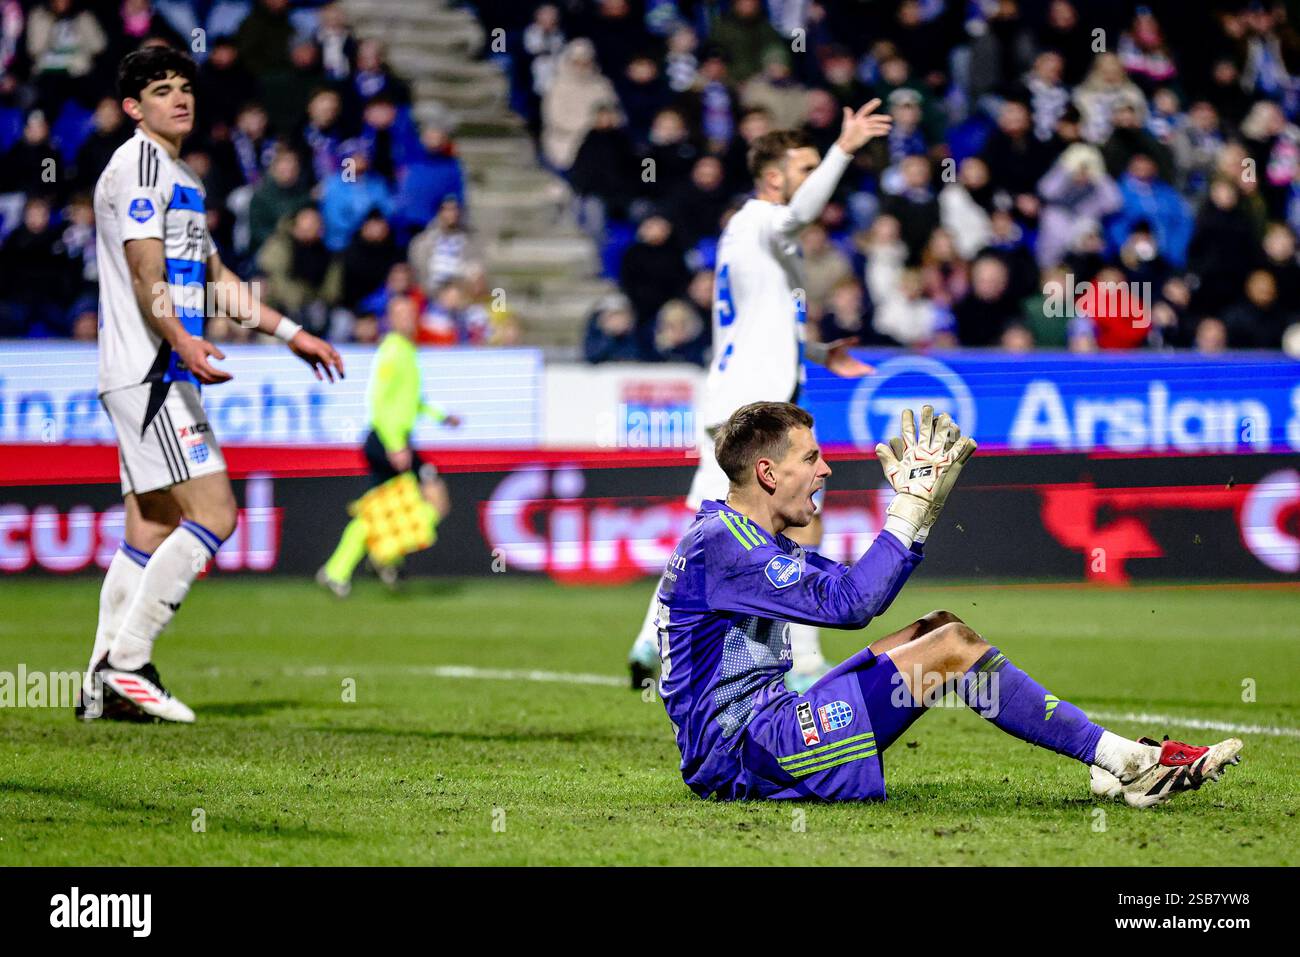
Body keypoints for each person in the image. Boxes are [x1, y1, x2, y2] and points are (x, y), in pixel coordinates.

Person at [655, 401, 1243, 807]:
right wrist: (905, 507)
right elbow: (852, 604)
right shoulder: (725, 545)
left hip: (757, 731)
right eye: (810, 458)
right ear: (766, 470)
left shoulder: (737, 537)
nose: (825, 468)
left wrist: (924, 512)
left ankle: (1112, 756)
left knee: (940, 628)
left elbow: (856, 587)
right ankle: (1125, 762)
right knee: (951, 652)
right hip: (742, 754)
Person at [79, 47, 344, 723]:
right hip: (155, 370)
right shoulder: (139, 165)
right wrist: (182, 339)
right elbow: (146, 272)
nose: (180, 98)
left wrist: (293, 335)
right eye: (162, 90)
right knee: (217, 512)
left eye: (185, 87)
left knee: (153, 524)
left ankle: (97, 681)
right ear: (135, 108)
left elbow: (217, 280)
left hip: (153, 367)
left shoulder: (181, 174)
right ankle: (128, 663)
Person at [626, 100, 893, 692]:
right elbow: (798, 214)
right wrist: (844, 149)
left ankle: (651, 637)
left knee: (710, 532)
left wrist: (822, 354)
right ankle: (803, 662)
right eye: (805, 167)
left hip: (732, 405)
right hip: (754, 411)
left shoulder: (760, 243)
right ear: (775, 178)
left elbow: (766, 322)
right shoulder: (758, 221)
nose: (811, 177)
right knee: (801, 515)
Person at [317, 295, 460, 596]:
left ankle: (374, 561)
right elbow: (379, 401)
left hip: (395, 440)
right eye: (401, 314)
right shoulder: (393, 351)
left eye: (411, 313)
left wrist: (441, 416)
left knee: (386, 507)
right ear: (391, 319)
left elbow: (408, 400)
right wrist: (395, 444)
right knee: (426, 499)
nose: (407, 319)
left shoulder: (407, 350)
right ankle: (365, 561)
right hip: (387, 440)